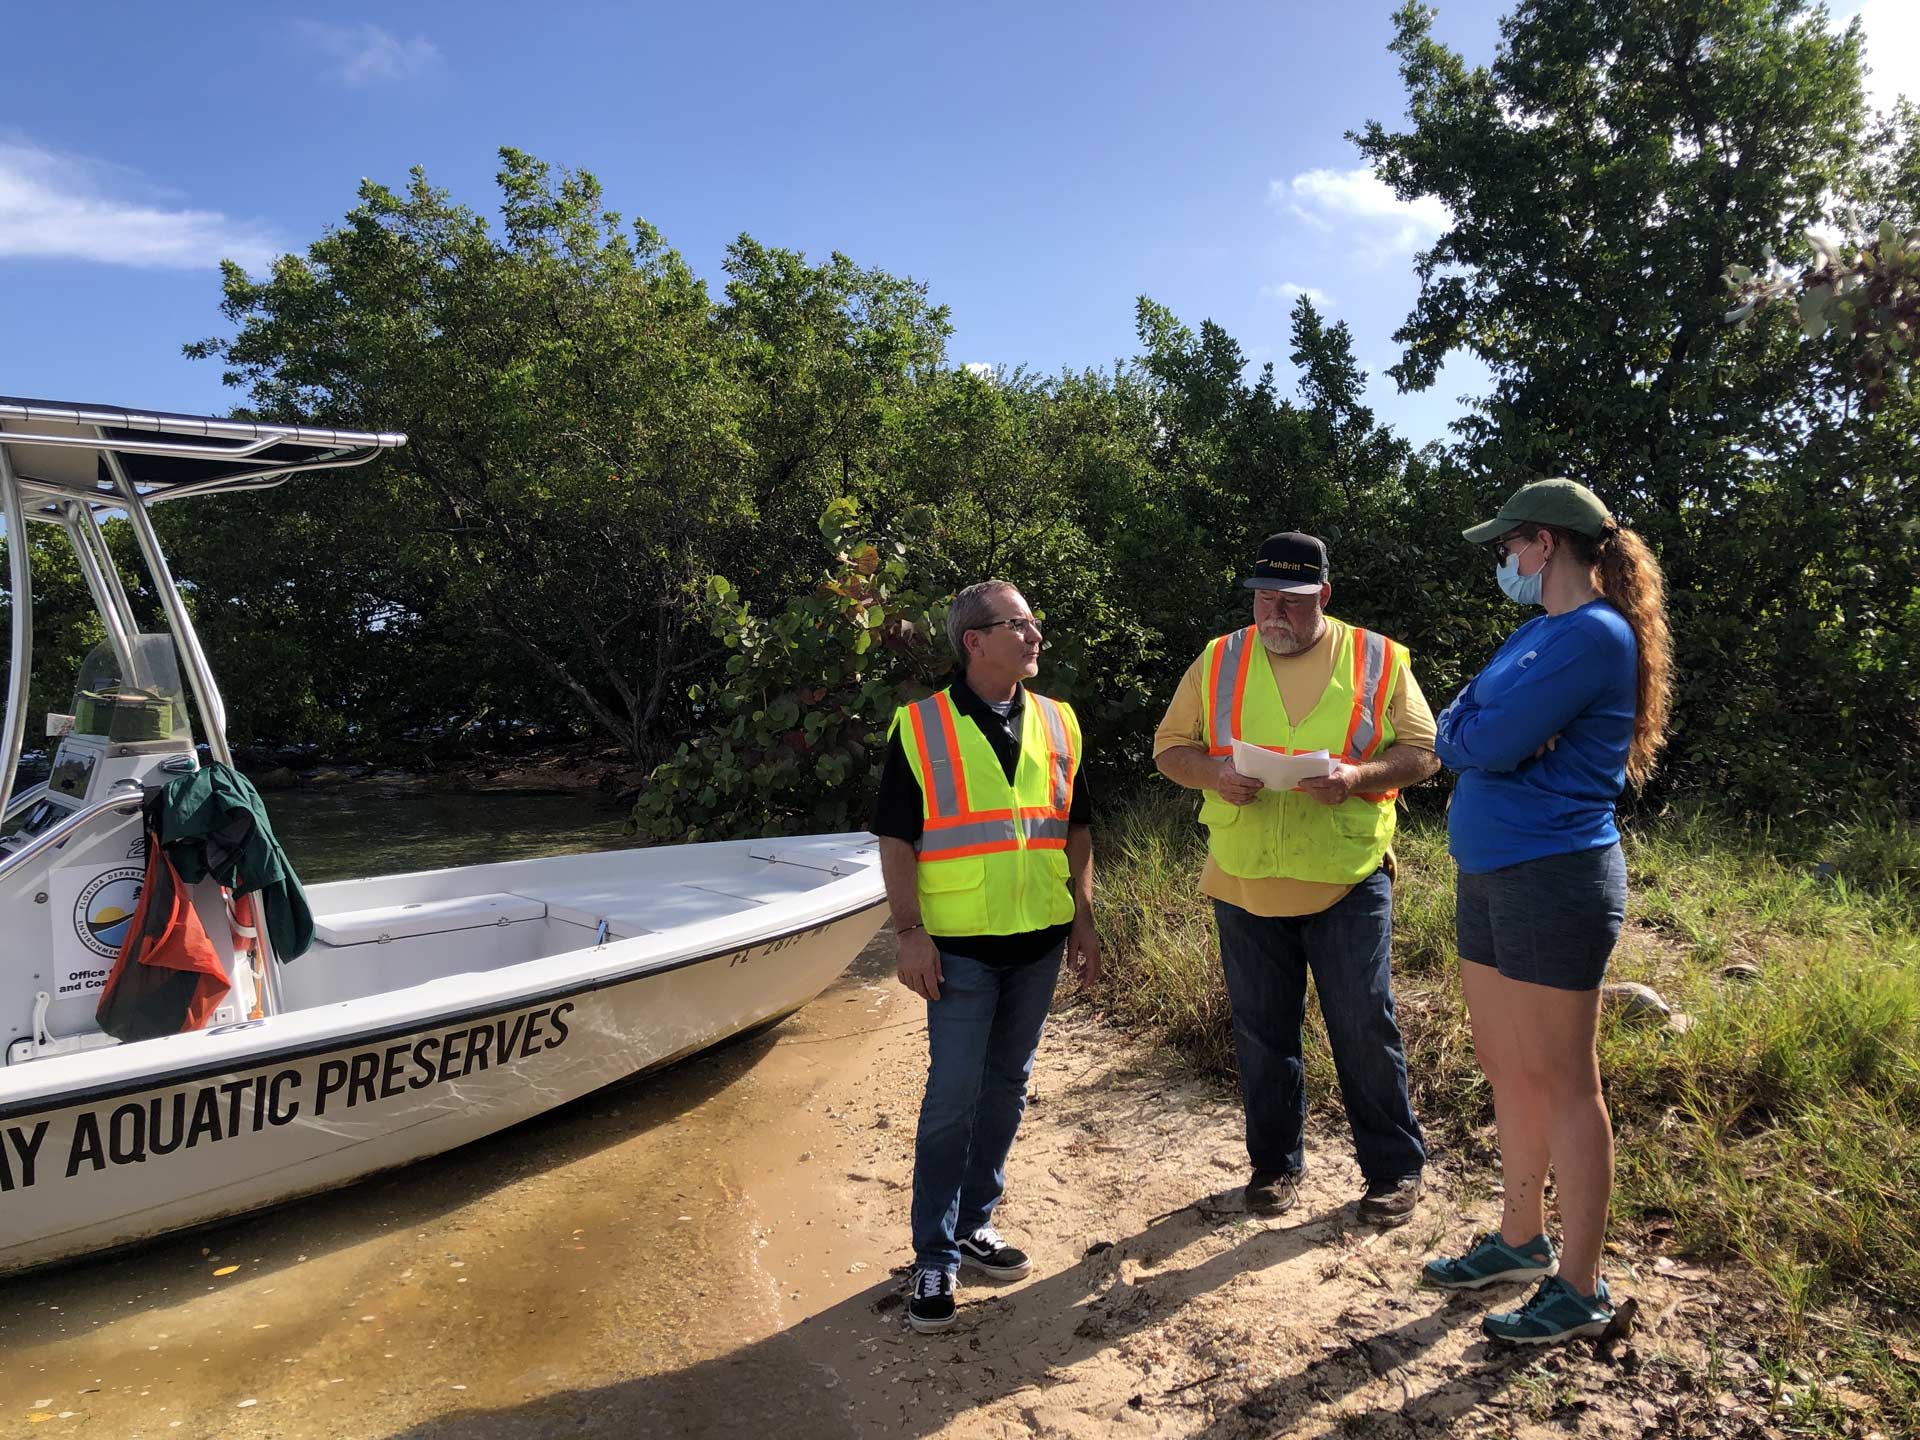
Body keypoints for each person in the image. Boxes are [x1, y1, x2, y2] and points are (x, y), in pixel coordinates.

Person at [1423, 478, 1672, 1347]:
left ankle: (1580, 1286)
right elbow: (1456, 723)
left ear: (1543, 542)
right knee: (1507, 1066)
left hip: (1553, 876)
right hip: (1488, 871)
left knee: (1567, 1081)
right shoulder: (1535, 635)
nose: (1505, 562)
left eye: (1508, 548)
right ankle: (1519, 1239)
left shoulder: (1597, 636)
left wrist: (1475, 736)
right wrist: (1474, 734)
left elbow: (1476, 740)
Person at [1154, 532, 1439, 1227]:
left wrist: (1357, 777)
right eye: (1263, 599)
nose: (1274, 614)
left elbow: (1425, 754)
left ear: (1325, 598)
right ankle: (1275, 1166)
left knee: (1364, 1028)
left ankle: (1394, 1170)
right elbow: (1170, 749)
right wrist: (1216, 773)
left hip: (1344, 878)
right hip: (1245, 878)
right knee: (1261, 1033)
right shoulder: (1219, 659)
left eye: (1291, 602)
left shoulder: (1377, 657)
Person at [871, 579, 1101, 1335]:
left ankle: (976, 1223)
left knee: (1006, 1088)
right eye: (1020, 624)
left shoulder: (1061, 721)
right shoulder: (920, 726)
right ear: (975, 641)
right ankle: (933, 1254)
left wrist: (1085, 917)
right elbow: (897, 839)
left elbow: (1077, 828)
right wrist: (909, 932)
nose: (1036, 635)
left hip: (1038, 940)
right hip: (960, 947)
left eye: (1035, 622)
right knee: (952, 1098)